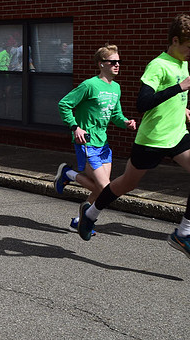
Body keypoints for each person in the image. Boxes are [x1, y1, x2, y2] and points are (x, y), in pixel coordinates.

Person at [76, 14, 190, 259]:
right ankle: (90, 215)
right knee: (126, 183)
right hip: (152, 139)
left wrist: (184, 108)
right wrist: (179, 88)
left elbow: (173, 100)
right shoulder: (158, 65)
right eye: (188, 47)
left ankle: (183, 234)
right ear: (175, 40)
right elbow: (143, 103)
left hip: (178, 134)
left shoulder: (183, 63)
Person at [54, 45, 136, 234]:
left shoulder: (116, 87)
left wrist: (126, 122)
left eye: (118, 62)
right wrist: (75, 127)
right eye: (112, 62)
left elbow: (115, 114)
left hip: (103, 144)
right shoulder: (89, 85)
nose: (117, 65)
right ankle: (69, 174)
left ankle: (78, 220)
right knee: (106, 188)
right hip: (87, 142)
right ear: (101, 64)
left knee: (103, 190)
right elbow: (64, 104)